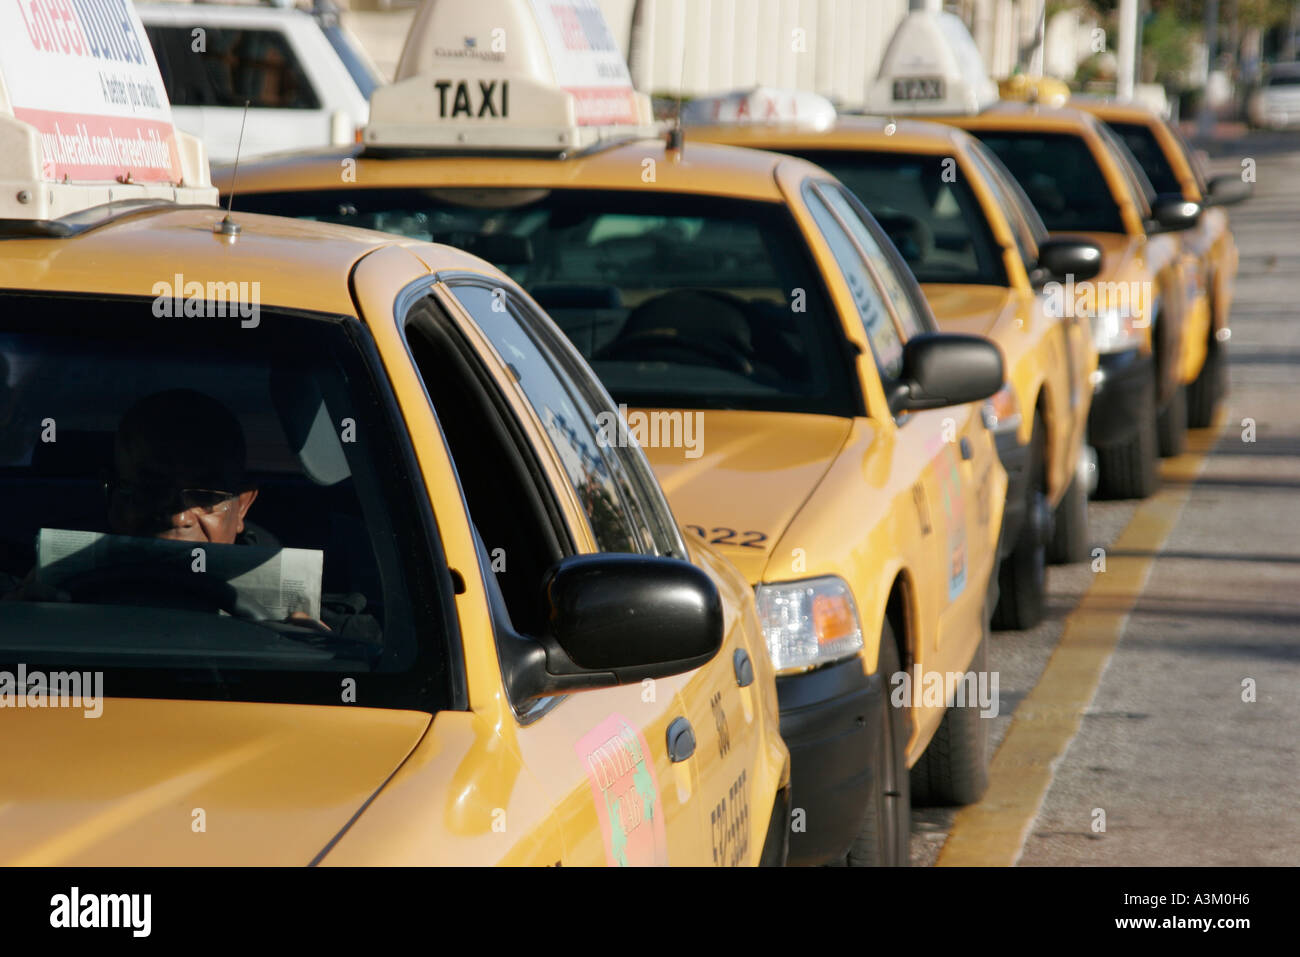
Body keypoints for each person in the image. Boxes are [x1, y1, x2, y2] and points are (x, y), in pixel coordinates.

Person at [5, 389, 376, 639]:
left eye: (204, 496)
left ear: (242, 505)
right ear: (112, 491)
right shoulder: (26, 591)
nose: (176, 516)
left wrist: (320, 659)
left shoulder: (333, 625)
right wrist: (15, 624)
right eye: (149, 489)